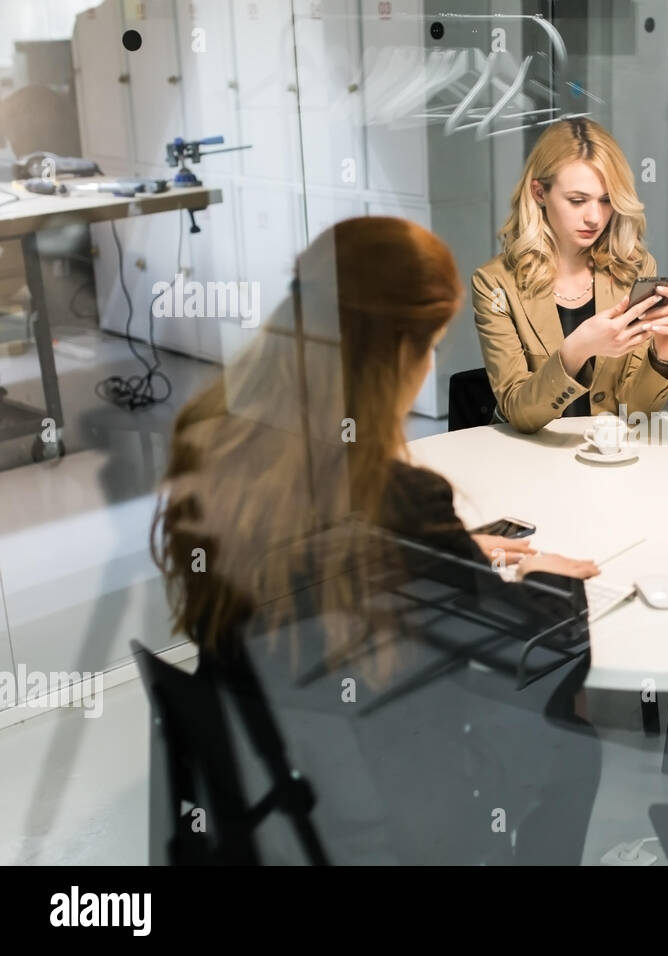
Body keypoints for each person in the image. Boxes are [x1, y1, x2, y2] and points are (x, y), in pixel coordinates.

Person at [151, 217, 603, 863]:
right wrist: (548, 576)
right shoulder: (399, 499)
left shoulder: (216, 445)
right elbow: (541, 648)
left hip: (269, 781)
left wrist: (444, 551)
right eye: (431, 348)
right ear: (396, 355)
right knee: (575, 748)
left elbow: (322, 566)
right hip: (389, 814)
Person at [472, 117, 668, 434]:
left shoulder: (636, 268)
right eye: (577, 200)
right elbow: (519, 412)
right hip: (527, 458)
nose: (594, 217)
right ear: (539, 192)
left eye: (606, 201)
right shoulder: (494, 283)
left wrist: (664, 351)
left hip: (604, 458)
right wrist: (578, 349)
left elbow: (634, 412)